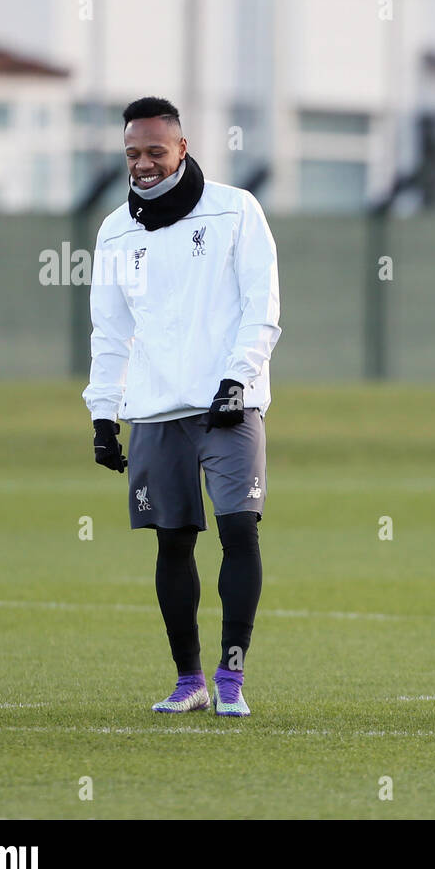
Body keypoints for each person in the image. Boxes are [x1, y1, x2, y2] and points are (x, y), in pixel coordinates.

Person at [83, 96, 281, 717]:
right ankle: (188, 680)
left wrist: (237, 380)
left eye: (154, 152)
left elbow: (263, 307)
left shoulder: (235, 209)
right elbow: (109, 331)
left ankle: (231, 678)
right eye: (132, 153)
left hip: (229, 405)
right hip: (156, 412)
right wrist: (102, 412)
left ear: (182, 148)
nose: (142, 164)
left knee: (239, 529)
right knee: (173, 541)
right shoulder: (115, 230)